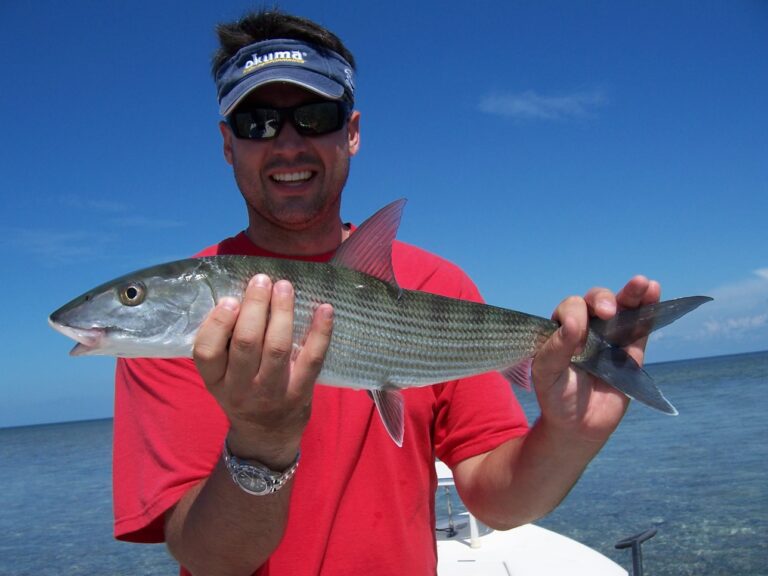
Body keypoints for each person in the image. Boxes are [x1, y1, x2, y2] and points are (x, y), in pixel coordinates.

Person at [112, 8, 661, 576]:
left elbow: (499, 501)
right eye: (258, 123)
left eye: (316, 116)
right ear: (228, 145)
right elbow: (208, 559)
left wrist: (570, 436)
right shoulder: (170, 328)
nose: (288, 144)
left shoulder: (438, 285)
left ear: (351, 133)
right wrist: (260, 440)